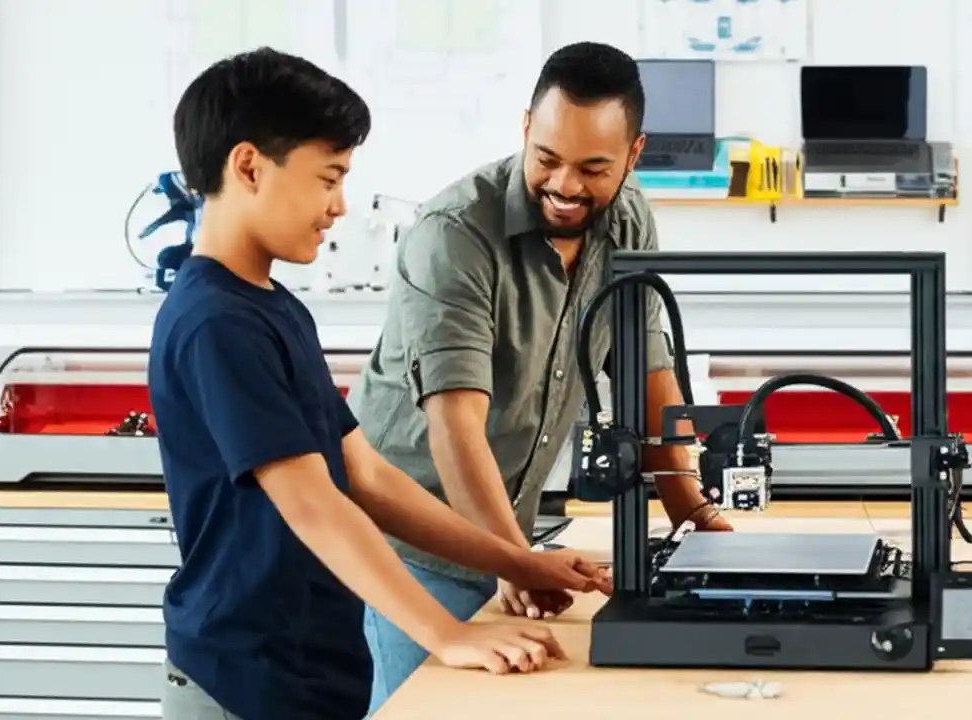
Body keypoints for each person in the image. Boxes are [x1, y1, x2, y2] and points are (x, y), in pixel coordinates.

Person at [148, 47, 612, 720]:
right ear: (249, 165)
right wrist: (446, 635)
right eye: (328, 177)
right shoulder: (216, 323)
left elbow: (366, 477)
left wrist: (521, 562)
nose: (338, 205)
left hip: (310, 671)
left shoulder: (272, 307)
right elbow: (312, 503)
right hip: (242, 682)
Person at [351, 41, 734, 712]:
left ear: (634, 155)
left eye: (593, 168)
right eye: (548, 159)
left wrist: (693, 518)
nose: (565, 186)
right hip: (411, 544)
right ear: (526, 127)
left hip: (508, 531)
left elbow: (648, 372)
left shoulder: (628, 218)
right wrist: (514, 560)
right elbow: (455, 423)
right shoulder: (456, 235)